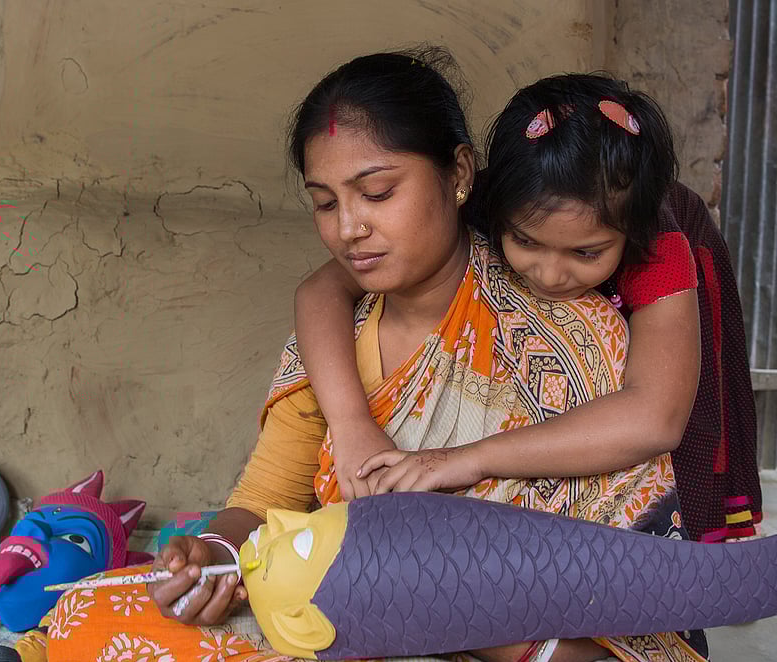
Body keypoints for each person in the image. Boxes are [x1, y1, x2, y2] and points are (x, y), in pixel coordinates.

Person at [47, 49, 731, 662]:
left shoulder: (571, 337)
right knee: (87, 617)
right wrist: (209, 554)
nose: (350, 228)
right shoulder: (335, 337)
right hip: (349, 635)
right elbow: (262, 500)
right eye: (325, 201)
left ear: (461, 175)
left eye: (377, 192)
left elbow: (627, 589)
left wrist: (465, 610)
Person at [296, 73, 762, 543]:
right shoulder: (480, 203)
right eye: (524, 241)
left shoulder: (656, 246)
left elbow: (656, 418)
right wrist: (351, 423)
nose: (550, 274)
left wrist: (469, 458)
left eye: (586, 253)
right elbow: (319, 292)